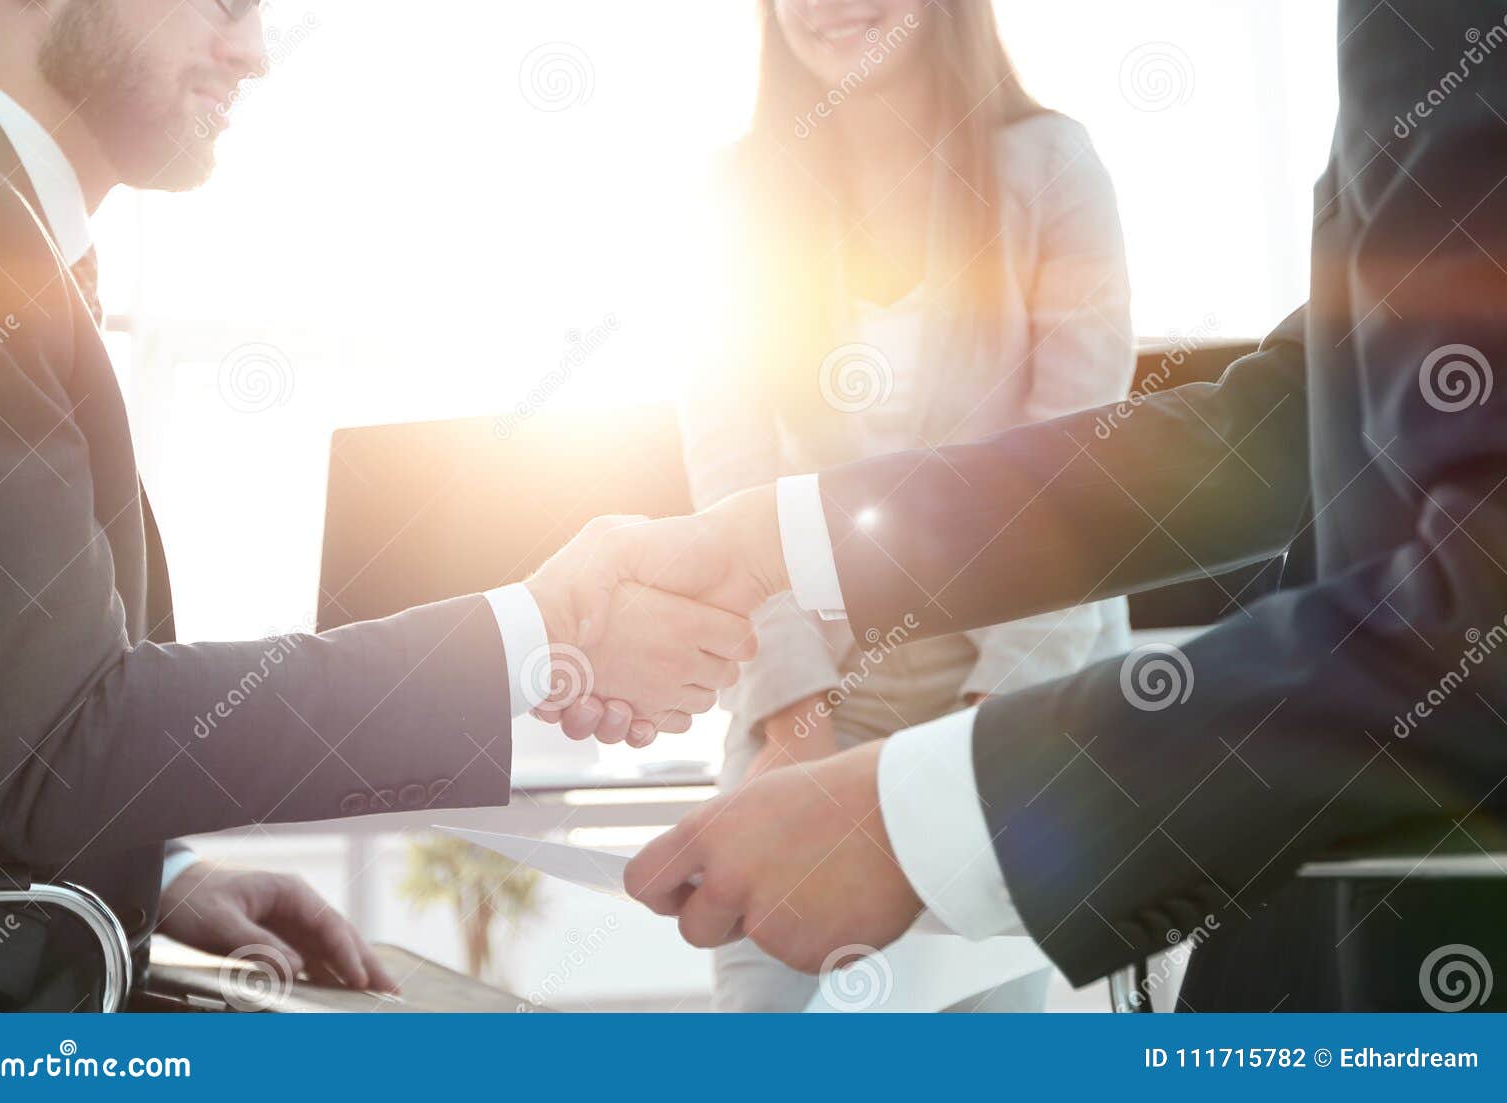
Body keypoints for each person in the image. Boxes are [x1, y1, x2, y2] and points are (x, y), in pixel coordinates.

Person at [585, 0, 1507, 1011]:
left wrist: (944, 786)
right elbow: (1287, 418)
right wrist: (779, 549)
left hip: (1075, 720)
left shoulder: (1052, 165)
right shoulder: (735, 195)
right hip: (841, 705)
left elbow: (1476, 601)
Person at [0, 0, 753, 1010]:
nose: (254, 52)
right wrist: (543, 633)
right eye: (223, 2)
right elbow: (63, 748)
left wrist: (164, 875)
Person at [680, 0, 1131, 1011]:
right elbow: (732, 488)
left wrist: (975, 759)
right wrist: (799, 745)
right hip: (812, 689)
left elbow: (1077, 481)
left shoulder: (1052, 165)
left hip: (1016, 686)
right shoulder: (737, 195)